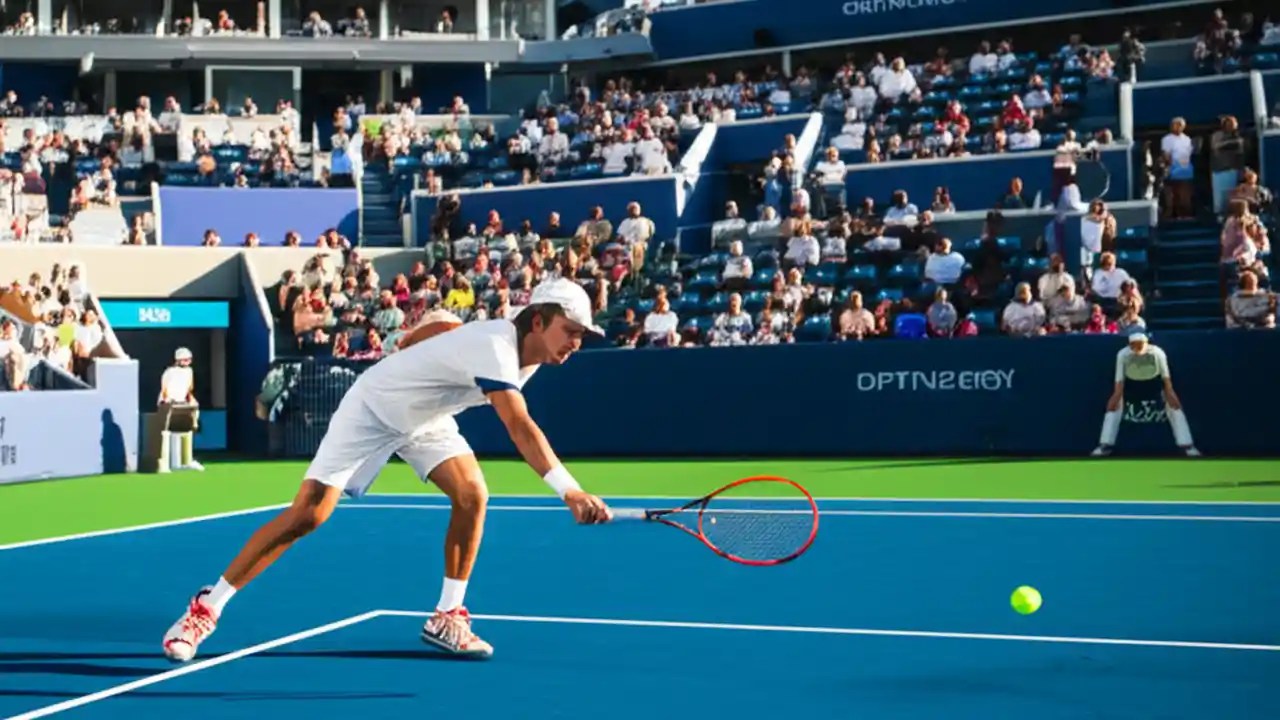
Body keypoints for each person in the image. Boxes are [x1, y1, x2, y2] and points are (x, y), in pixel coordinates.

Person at [161, 279, 612, 662]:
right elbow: (519, 425)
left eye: (581, 336)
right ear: (537, 321)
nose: (576, 343)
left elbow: (447, 328)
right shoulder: (496, 345)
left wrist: (415, 338)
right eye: (570, 331)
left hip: (426, 419)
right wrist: (569, 491)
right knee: (309, 516)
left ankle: (447, 616)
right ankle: (205, 608)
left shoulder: (523, 353)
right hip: (373, 408)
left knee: (473, 495)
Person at [1091, 333, 1200, 457]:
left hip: (1154, 385)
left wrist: (1171, 395)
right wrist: (1115, 397)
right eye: (1134, 345)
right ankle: (1105, 445)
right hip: (1131, 387)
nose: (1137, 347)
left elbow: (1166, 380)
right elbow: (1119, 383)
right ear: (1129, 345)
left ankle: (1187, 446)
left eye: (1140, 344)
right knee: (1114, 406)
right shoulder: (1122, 355)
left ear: (1146, 343)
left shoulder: (1158, 353)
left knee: (1175, 407)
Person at [157, 347, 203, 472]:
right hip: (168, 404)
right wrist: (167, 400)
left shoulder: (189, 371)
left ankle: (187, 460)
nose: (187, 361)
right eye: (185, 359)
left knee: (187, 428)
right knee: (166, 431)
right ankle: (163, 463)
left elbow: (189, 389)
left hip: (183, 403)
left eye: (189, 359)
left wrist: (191, 401)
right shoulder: (169, 372)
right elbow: (164, 389)